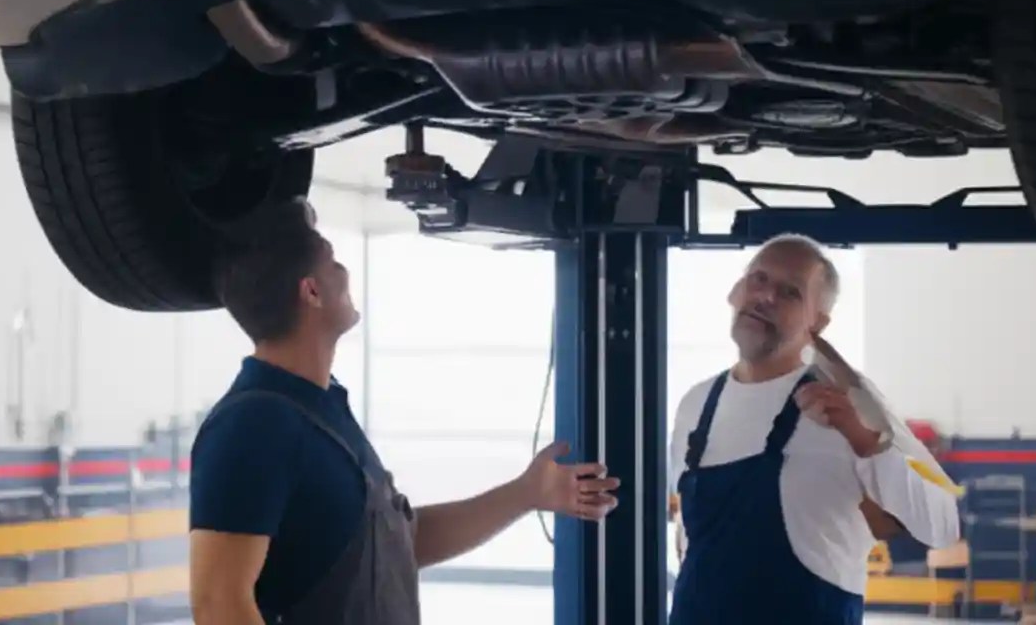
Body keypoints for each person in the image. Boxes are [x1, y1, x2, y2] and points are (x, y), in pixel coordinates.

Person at [188, 198, 620, 625]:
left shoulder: (318, 408)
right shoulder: (254, 426)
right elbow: (218, 604)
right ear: (312, 291)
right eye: (333, 261)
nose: (345, 272)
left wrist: (527, 493)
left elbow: (399, 546)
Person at [667, 234, 961, 624]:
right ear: (736, 291)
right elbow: (689, 540)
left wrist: (865, 442)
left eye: (790, 292)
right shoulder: (697, 404)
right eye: (759, 279)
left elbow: (942, 527)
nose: (767, 296)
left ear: (817, 323)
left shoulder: (849, 398)